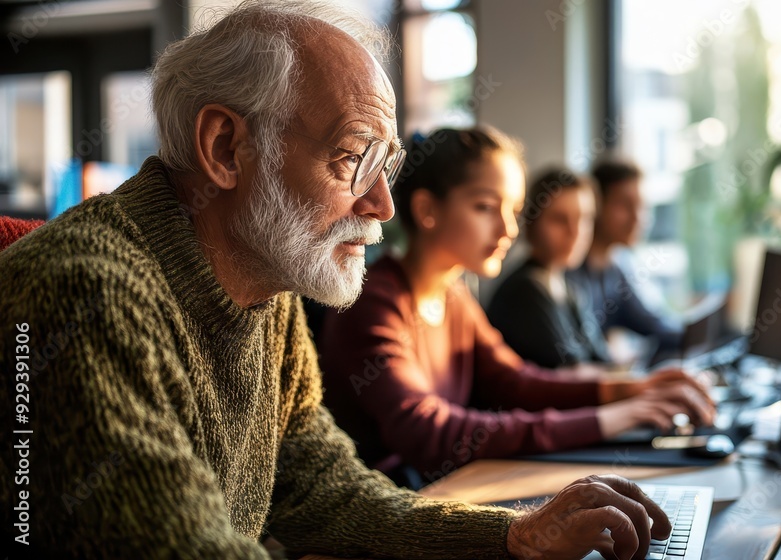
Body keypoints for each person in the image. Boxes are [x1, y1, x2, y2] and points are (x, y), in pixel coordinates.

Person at [0, 3, 685, 558]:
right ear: (224, 148)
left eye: (384, 168)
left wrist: (515, 535)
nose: (383, 206)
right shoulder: (85, 294)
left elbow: (322, 490)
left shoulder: (267, 285)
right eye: (354, 158)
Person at [320, 128, 715, 489]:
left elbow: (516, 382)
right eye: (486, 207)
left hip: (432, 494)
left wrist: (634, 389)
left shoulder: (453, 295)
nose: (508, 229)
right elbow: (430, 434)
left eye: (513, 209)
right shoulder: (372, 303)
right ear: (427, 210)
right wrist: (618, 416)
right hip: (375, 519)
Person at [487, 168, 610, 369]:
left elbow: (601, 360)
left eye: (585, 219)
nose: (576, 232)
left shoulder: (569, 289)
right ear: (532, 225)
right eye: (560, 219)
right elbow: (568, 374)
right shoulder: (525, 291)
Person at [571, 160, 684, 365]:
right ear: (596, 206)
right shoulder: (567, 273)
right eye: (625, 205)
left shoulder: (615, 269)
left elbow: (653, 324)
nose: (637, 218)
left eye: (641, 206)